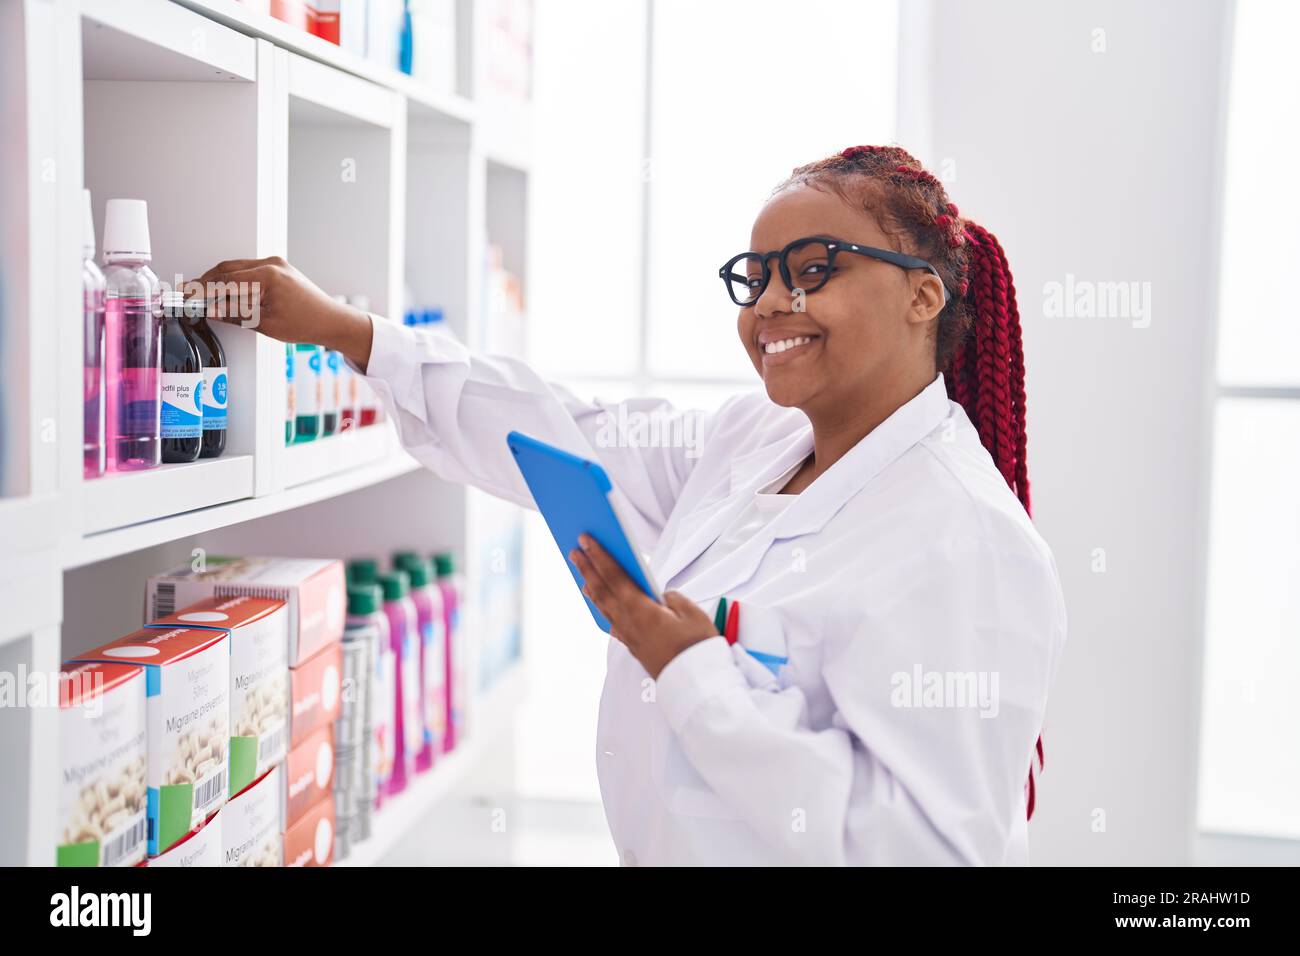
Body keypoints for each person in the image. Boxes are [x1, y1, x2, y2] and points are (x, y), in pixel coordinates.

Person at [198, 144, 1066, 866]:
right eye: (756, 276)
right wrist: (349, 333)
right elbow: (572, 433)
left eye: (812, 271)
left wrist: (693, 674)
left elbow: (929, 851)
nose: (770, 304)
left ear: (925, 295)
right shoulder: (753, 443)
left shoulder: (968, 543)